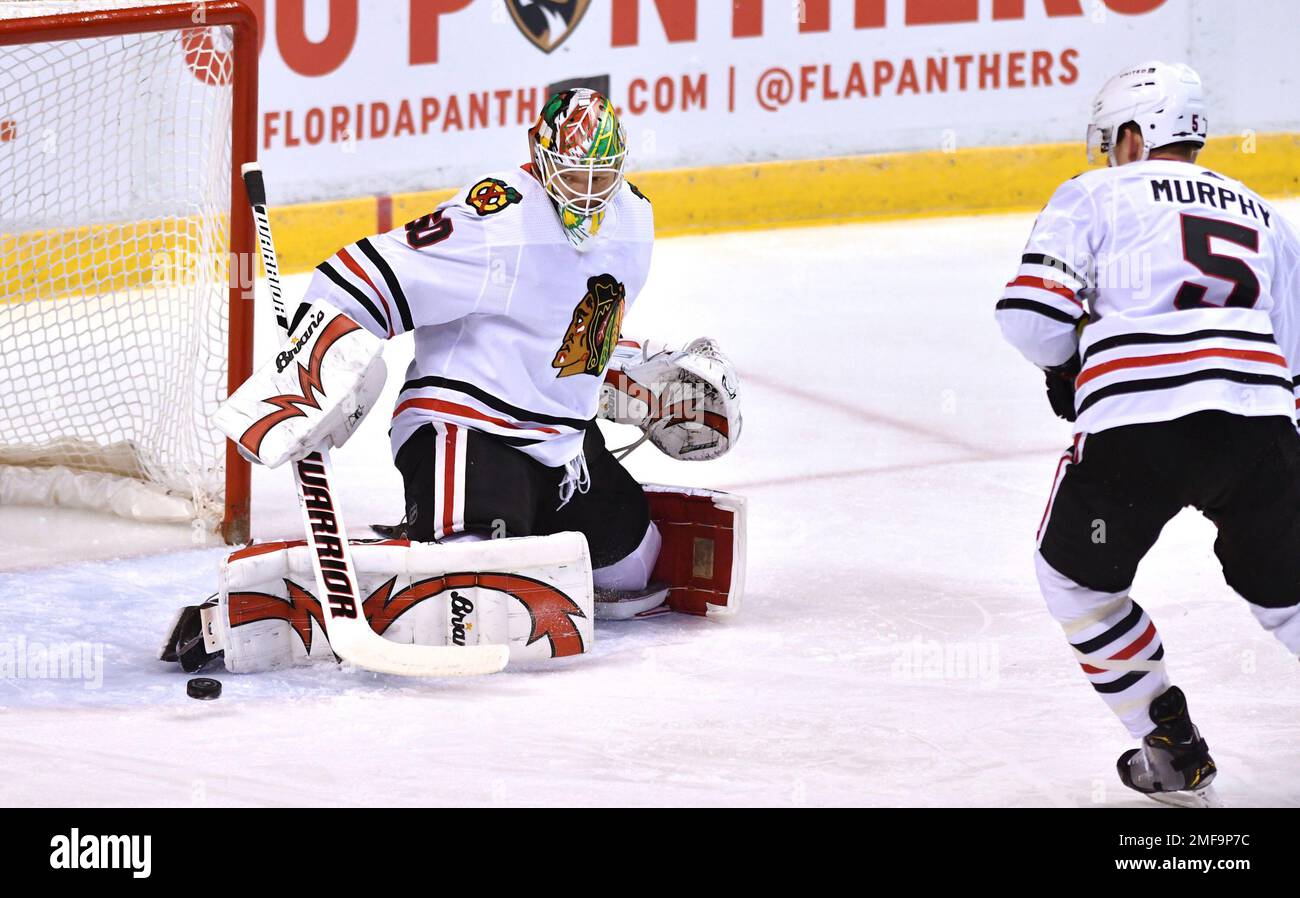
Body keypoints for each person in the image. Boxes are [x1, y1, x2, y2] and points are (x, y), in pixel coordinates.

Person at [996, 62, 1300, 806]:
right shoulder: (1263, 212)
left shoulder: (1094, 193)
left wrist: (1069, 365)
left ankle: (1171, 743)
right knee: (1293, 595)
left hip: (1138, 433)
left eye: (1114, 137)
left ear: (1135, 133)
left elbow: (1032, 318)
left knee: (1074, 578)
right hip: (1258, 424)